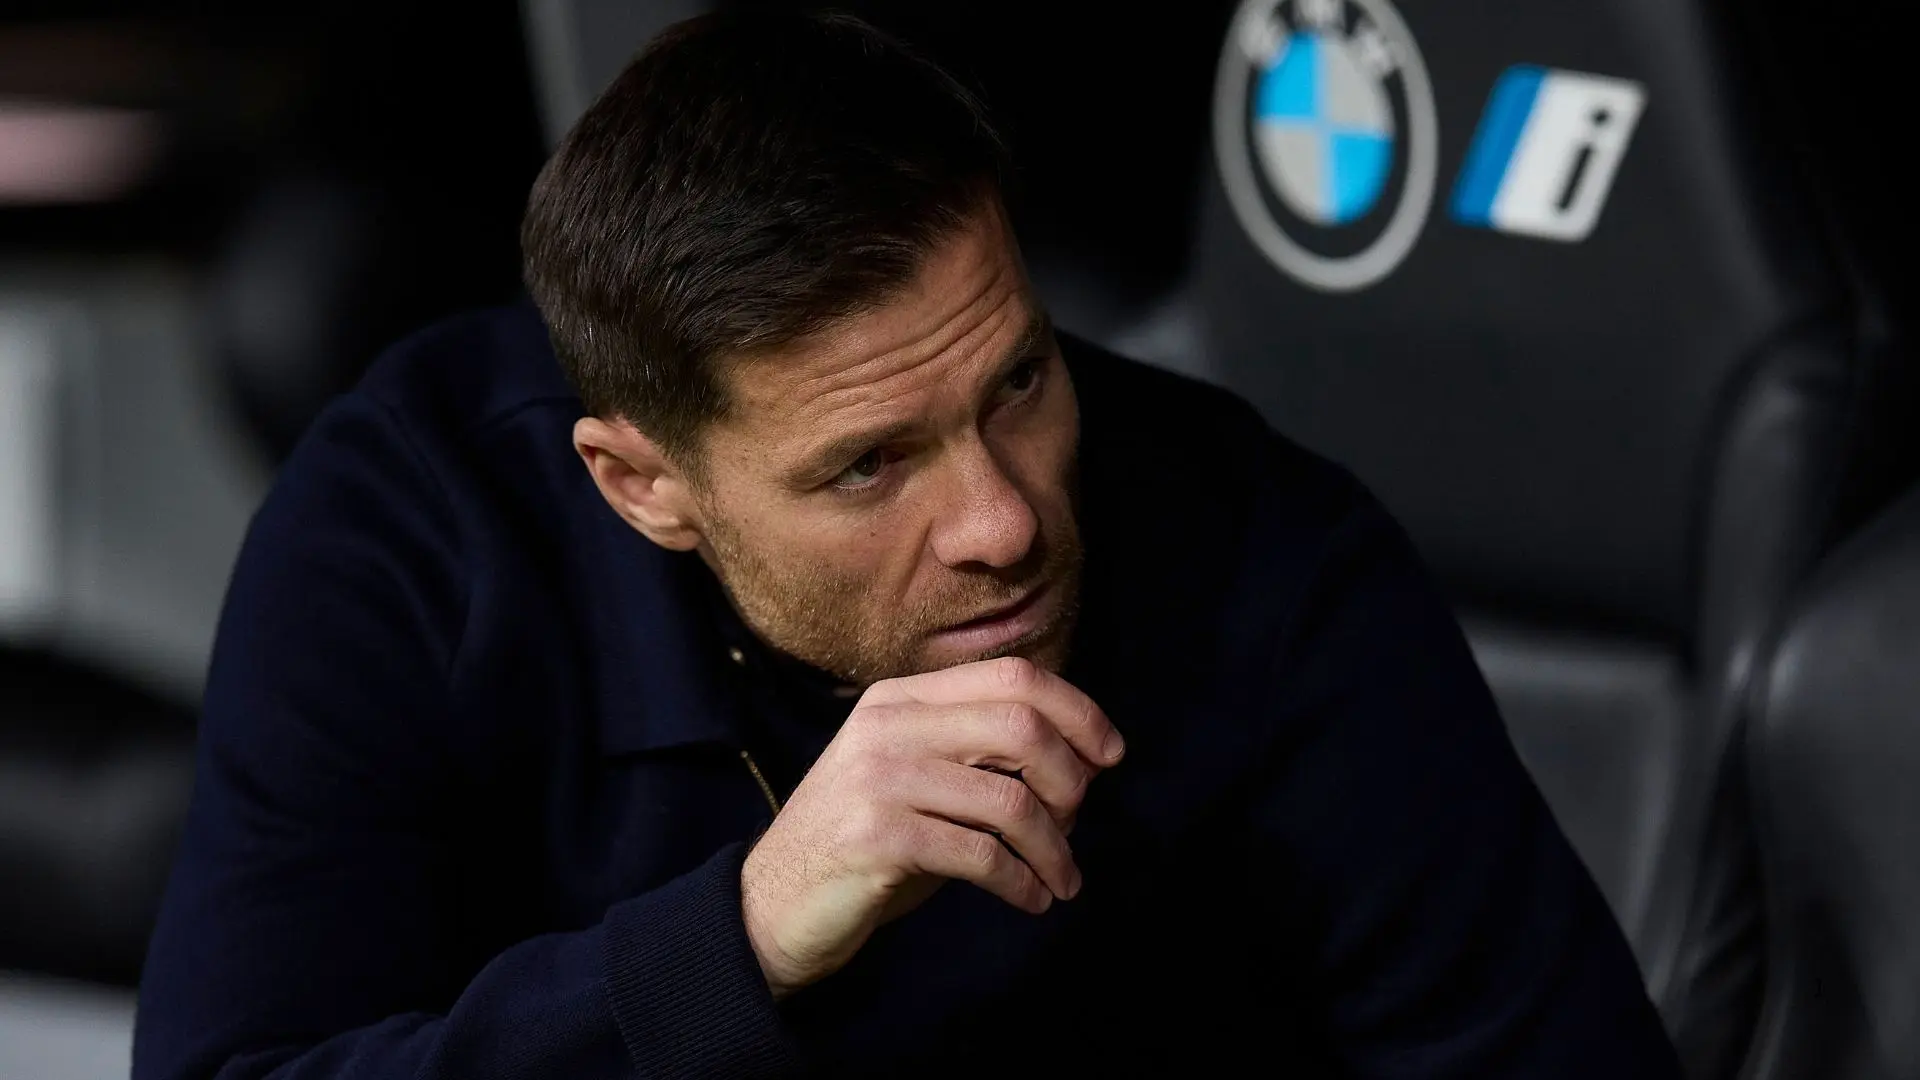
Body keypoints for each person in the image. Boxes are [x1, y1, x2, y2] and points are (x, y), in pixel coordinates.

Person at [132, 10, 1681, 1078]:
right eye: (868, 466)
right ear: (642, 485)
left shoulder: (1266, 556)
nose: (1005, 522)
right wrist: (738, 940)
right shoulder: (412, 533)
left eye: (1019, 383)